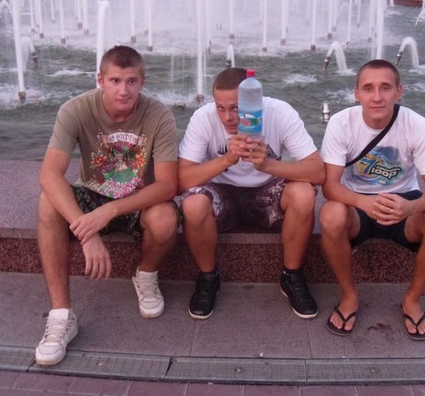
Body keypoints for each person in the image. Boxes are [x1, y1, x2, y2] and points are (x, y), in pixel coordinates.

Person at [35, 46, 179, 366]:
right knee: (48, 203)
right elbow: (48, 175)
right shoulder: (75, 109)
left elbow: (168, 185)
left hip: (137, 200)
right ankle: (61, 316)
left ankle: (145, 275)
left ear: (142, 81)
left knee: (165, 218)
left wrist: (110, 211)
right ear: (100, 79)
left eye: (131, 81)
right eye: (115, 80)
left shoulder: (159, 115)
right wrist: (87, 232)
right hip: (92, 192)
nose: (123, 90)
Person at [319, 59, 425, 341]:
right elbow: (330, 187)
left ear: (398, 92)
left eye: (385, 87)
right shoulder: (341, 123)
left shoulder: (416, 124)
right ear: (357, 93)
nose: (377, 97)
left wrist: (411, 207)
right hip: (358, 206)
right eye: (368, 88)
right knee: (331, 214)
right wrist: (363, 203)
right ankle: (349, 296)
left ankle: (412, 300)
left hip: (404, 205)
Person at [178, 67, 325, 320]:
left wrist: (268, 165)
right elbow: (180, 180)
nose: (228, 117)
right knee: (193, 204)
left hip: (268, 191)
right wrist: (226, 160)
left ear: (254, 102)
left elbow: (318, 171)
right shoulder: (203, 118)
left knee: (303, 194)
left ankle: (291, 275)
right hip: (222, 193)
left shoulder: (279, 113)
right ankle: (208, 277)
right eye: (221, 108)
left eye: (236, 108)